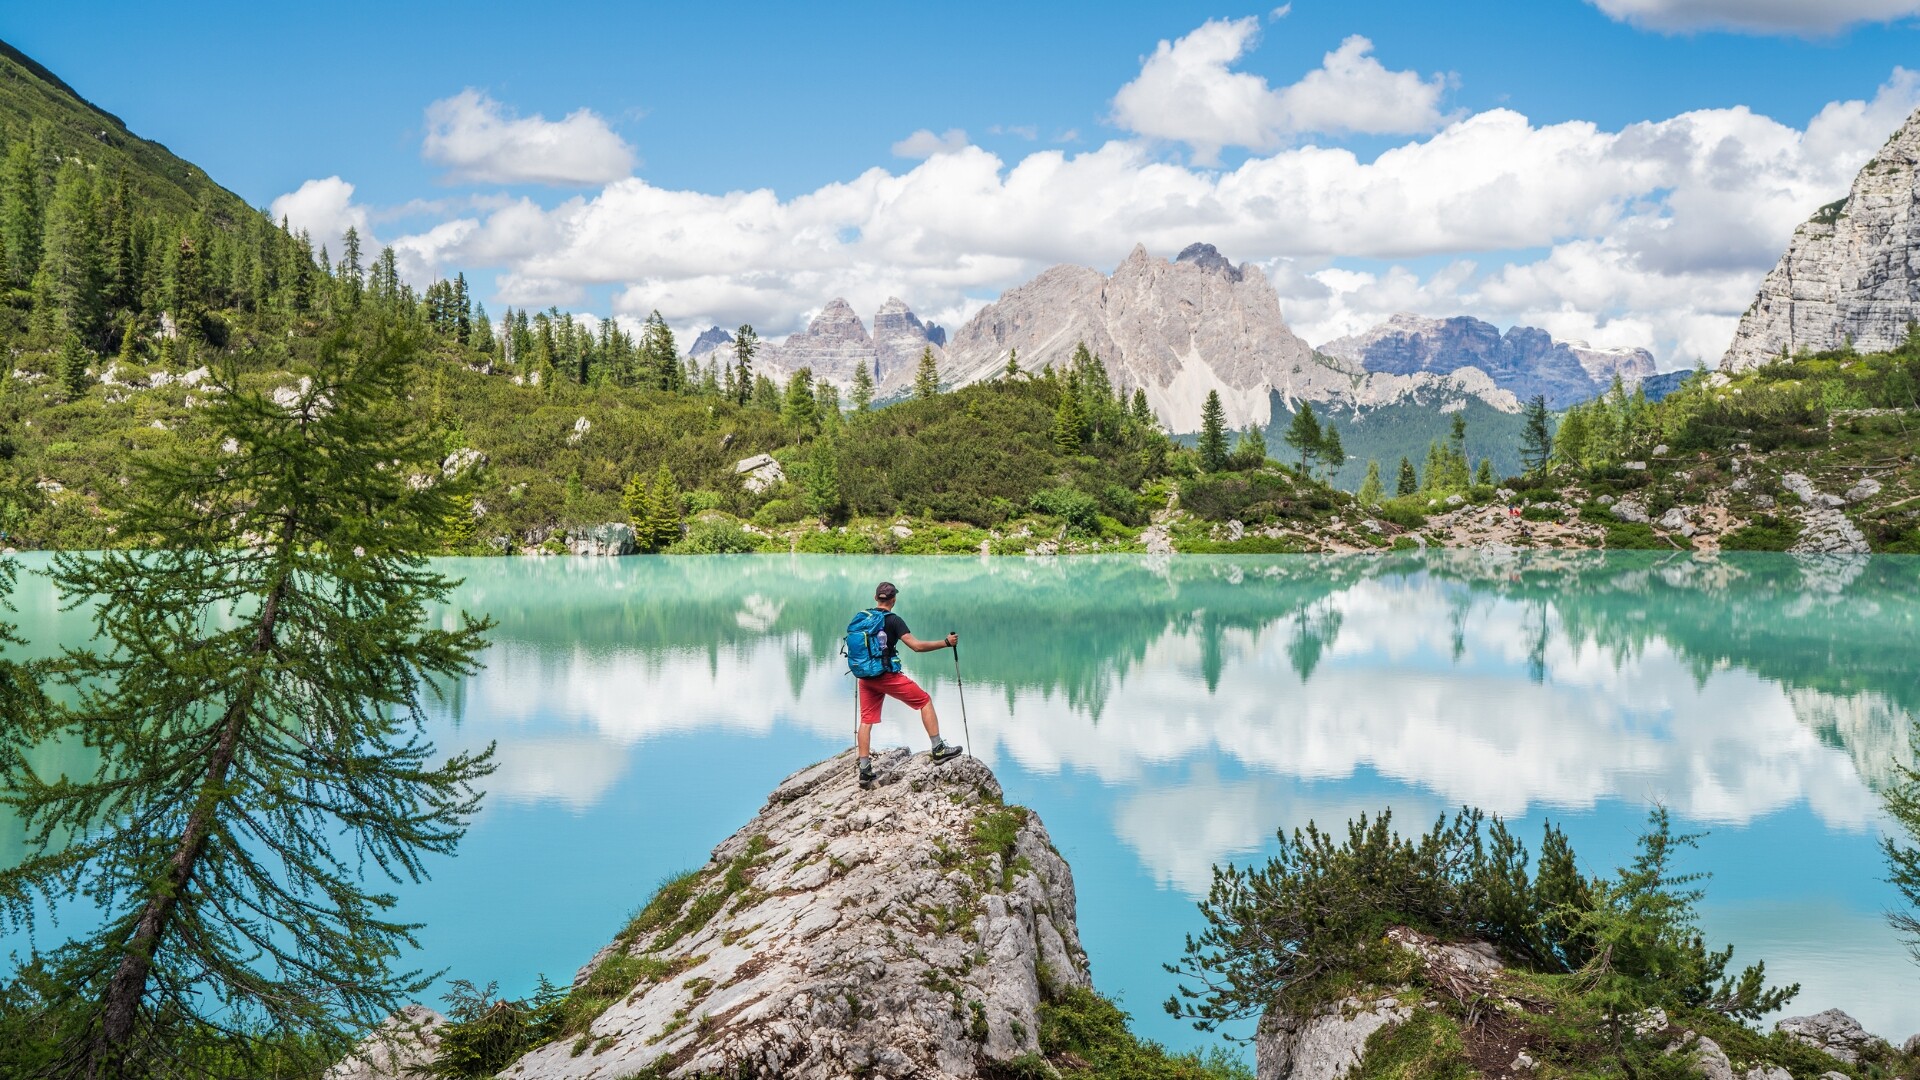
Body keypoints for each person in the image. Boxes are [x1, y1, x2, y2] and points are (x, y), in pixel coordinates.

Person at [856, 581, 961, 787]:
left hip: (865, 676)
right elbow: (916, 647)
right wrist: (946, 643)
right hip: (885, 676)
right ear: (893, 600)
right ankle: (938, 748)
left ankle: (864, 770)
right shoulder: (894, 620)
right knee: (924, 701)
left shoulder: (863, 618)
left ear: (876, 597)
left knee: (866, 720)